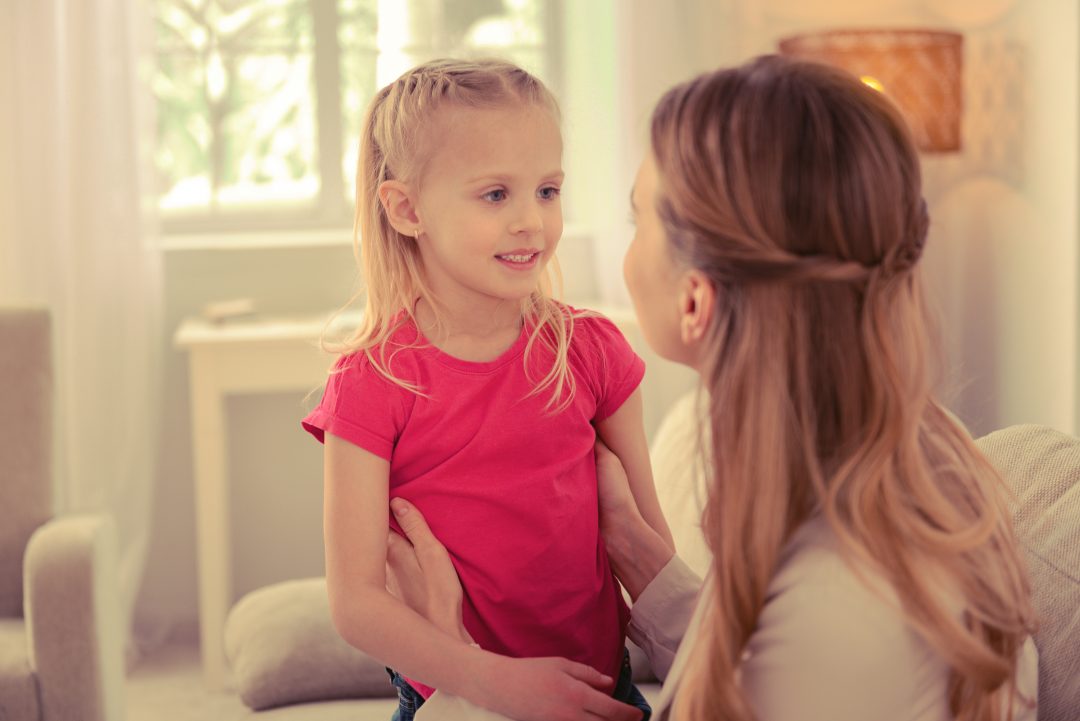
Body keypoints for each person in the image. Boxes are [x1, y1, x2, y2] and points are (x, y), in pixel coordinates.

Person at [382, 55, 1042, 721]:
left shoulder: (838, 613)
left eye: (639, 222)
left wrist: (453, 672)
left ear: (695, 299)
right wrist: (646, 563)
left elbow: (783, 666)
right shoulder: (908, 467)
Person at [301, 58, 672, 721]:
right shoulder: (370, 383)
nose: (533, 221)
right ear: (407, 208)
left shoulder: (593, 353)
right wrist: (488, 680)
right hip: (456, 699)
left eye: (548, 190)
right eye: (496, 194)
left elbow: (652, 553)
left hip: (599, 694)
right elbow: (354, 601)